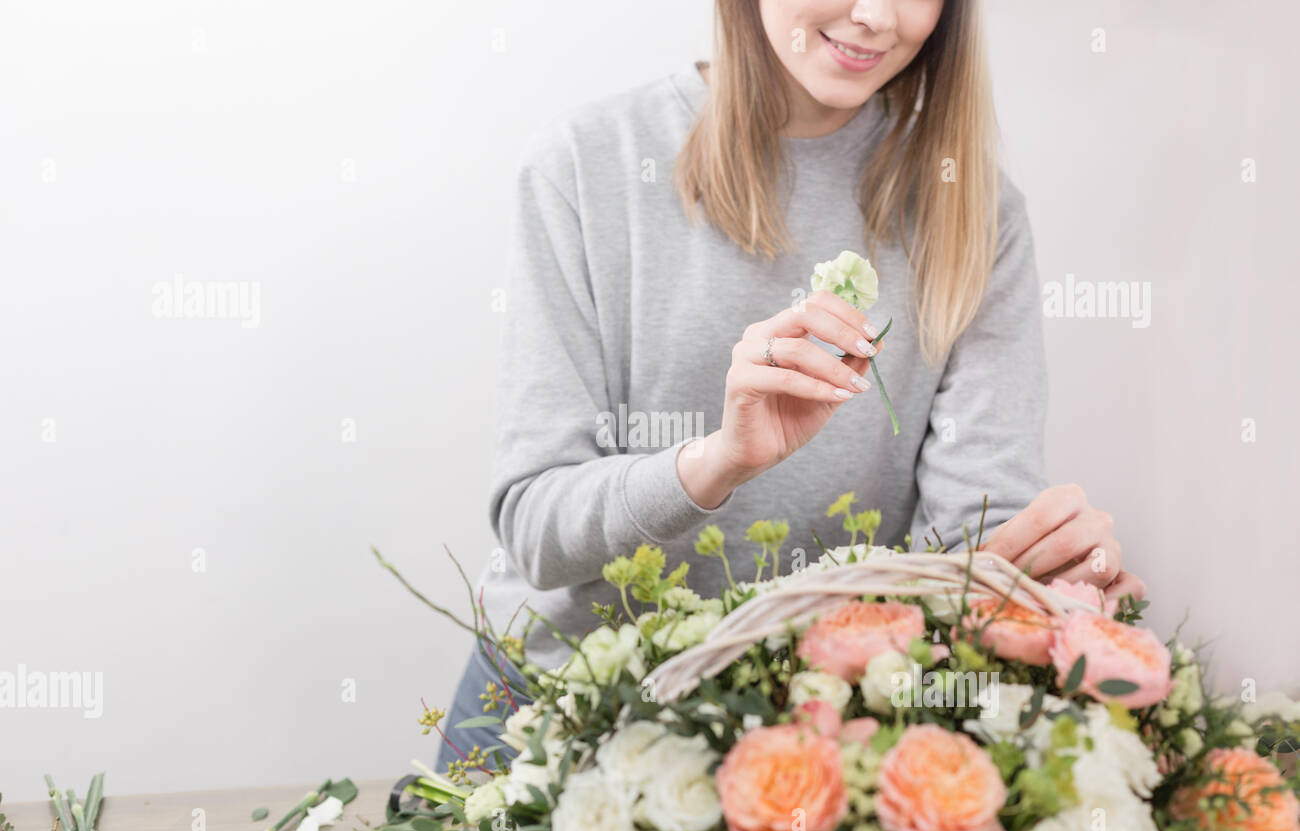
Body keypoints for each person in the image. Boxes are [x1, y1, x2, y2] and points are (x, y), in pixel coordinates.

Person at [437, 0, 1144, 770]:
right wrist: (718, 461)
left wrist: (1047, 585)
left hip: (812, 726)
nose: (876, 16)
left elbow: (970, 535)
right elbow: (536, 526)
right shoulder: (585, 163)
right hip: (555, 713)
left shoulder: (975, 209)